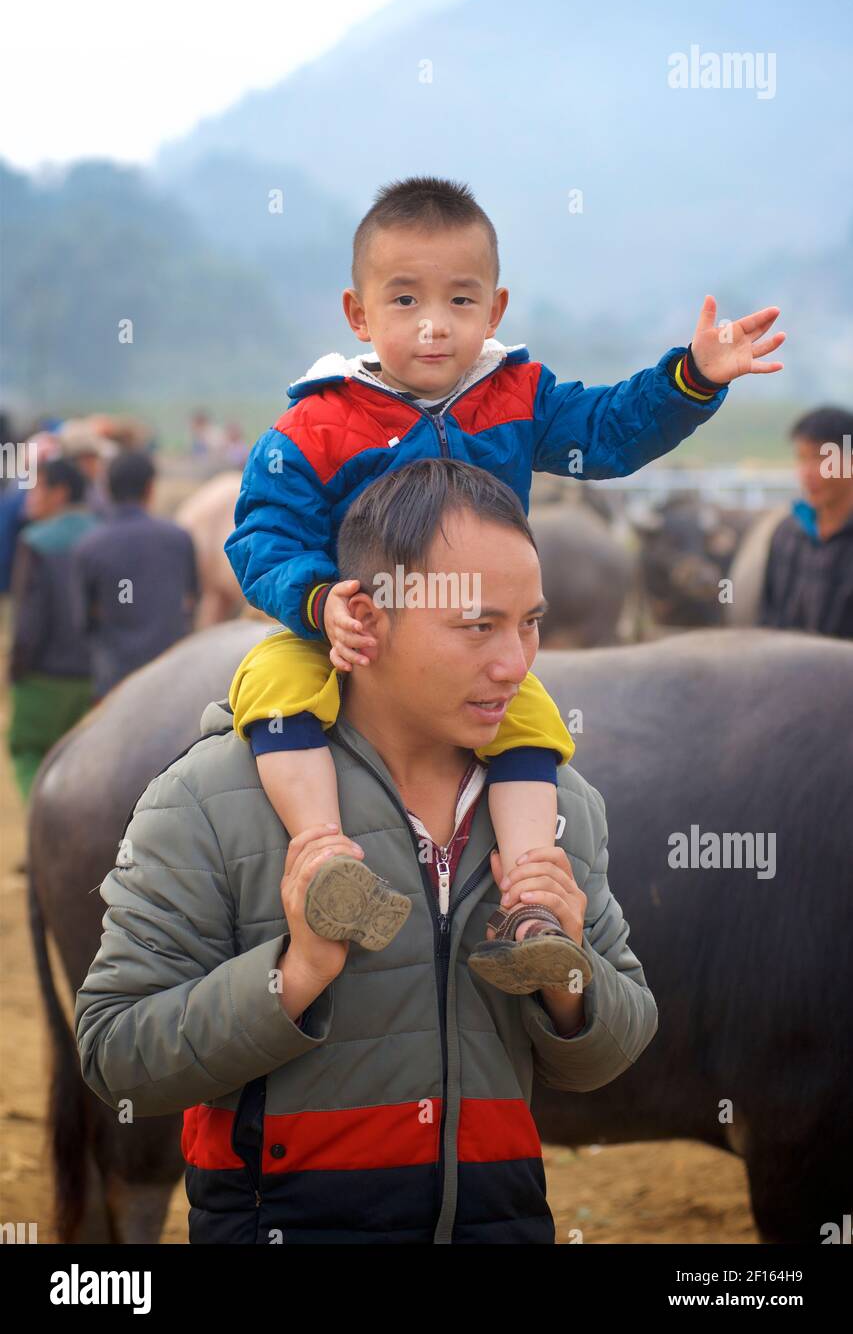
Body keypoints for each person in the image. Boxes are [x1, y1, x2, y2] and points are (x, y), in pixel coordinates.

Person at [223, 175, 785, 993]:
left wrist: (690, 380)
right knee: (270, 683)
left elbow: (607, 432)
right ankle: (323, 860)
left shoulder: (517, 396)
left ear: (495, 309)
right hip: (354, 637)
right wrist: (318, 600)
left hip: (475, 631)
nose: (432, 324)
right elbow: (261, 533)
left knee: (528, 720)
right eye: (405, 299)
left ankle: (531, 903)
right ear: (358, 314)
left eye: (459, 300)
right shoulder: (315, 422)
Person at [75, 459, 659, 1244]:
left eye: (529, 623)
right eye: (478, 626)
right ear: (365, 622)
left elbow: (610, 1054)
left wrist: (569, 987)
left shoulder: (557, 807)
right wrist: (297, 974)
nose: (516, 664)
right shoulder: (210, 801)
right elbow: (115, 1056)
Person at [69, 450, 200, 699]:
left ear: (106, 489)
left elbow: (83, 622)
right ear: (151, 488)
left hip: (114, 683)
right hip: (171, 679)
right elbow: (192, 602)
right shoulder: (178, 539)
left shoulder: (89, 547)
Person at [7, 457, 98, 799]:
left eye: (37, 489)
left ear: (60, 493)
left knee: (27, 751)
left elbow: (29, 621)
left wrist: (17, 669)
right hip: (94, 679)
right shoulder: (102, 531)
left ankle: (39, 835)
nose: (30, 499)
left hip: (43, 677)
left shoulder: (34, 541)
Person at [757, 405, 853, 639]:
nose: (807, 472)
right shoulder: (787, 533)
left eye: (821, 458)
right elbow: (767, 619)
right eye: (802, 458)